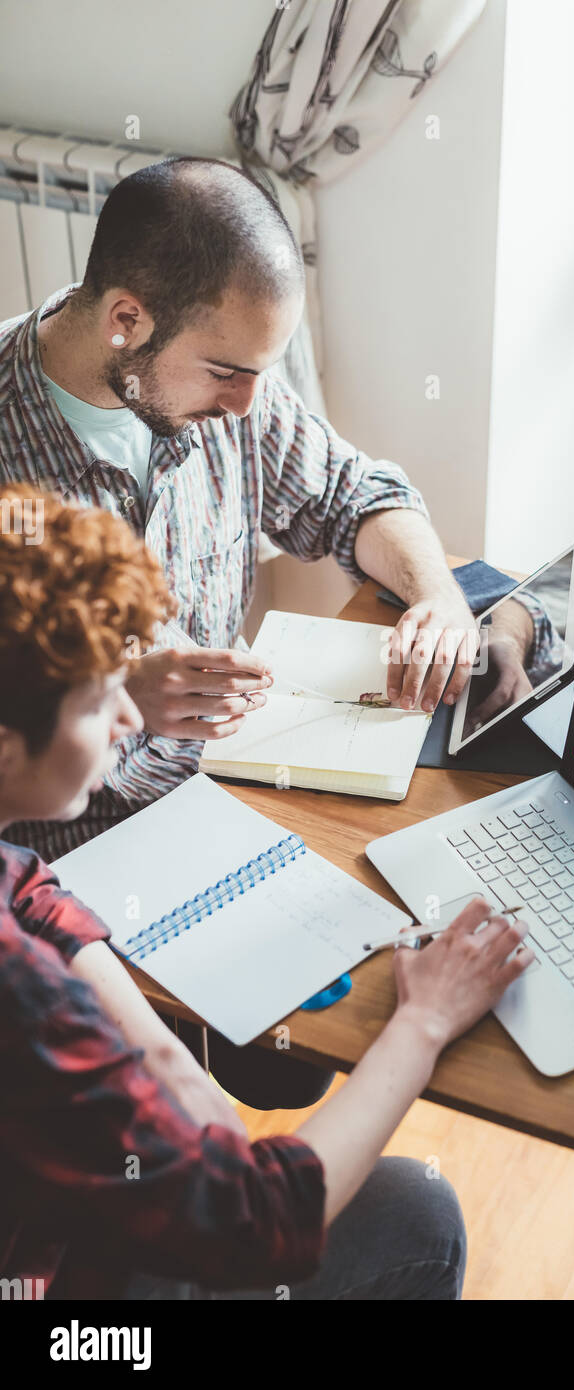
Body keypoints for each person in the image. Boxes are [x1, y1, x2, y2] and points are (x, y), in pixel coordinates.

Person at [0, 483, 534, 1300]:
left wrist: (174, 1072)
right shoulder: (21, 1001)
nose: (127, 720)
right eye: (100, 698)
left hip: (68, 1210)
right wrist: (423, 1023)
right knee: (418, 1216)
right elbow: (265, 1222)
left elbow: (33, 893)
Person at [0, 155, 549, 864]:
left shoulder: (229, 395)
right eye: (226, 372)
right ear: (125, 320)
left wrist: (439, 598)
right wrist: (112, 684)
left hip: (232, 787)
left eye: (262, 373)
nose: (245, 406)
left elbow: (355, 495)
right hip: (60, 847)